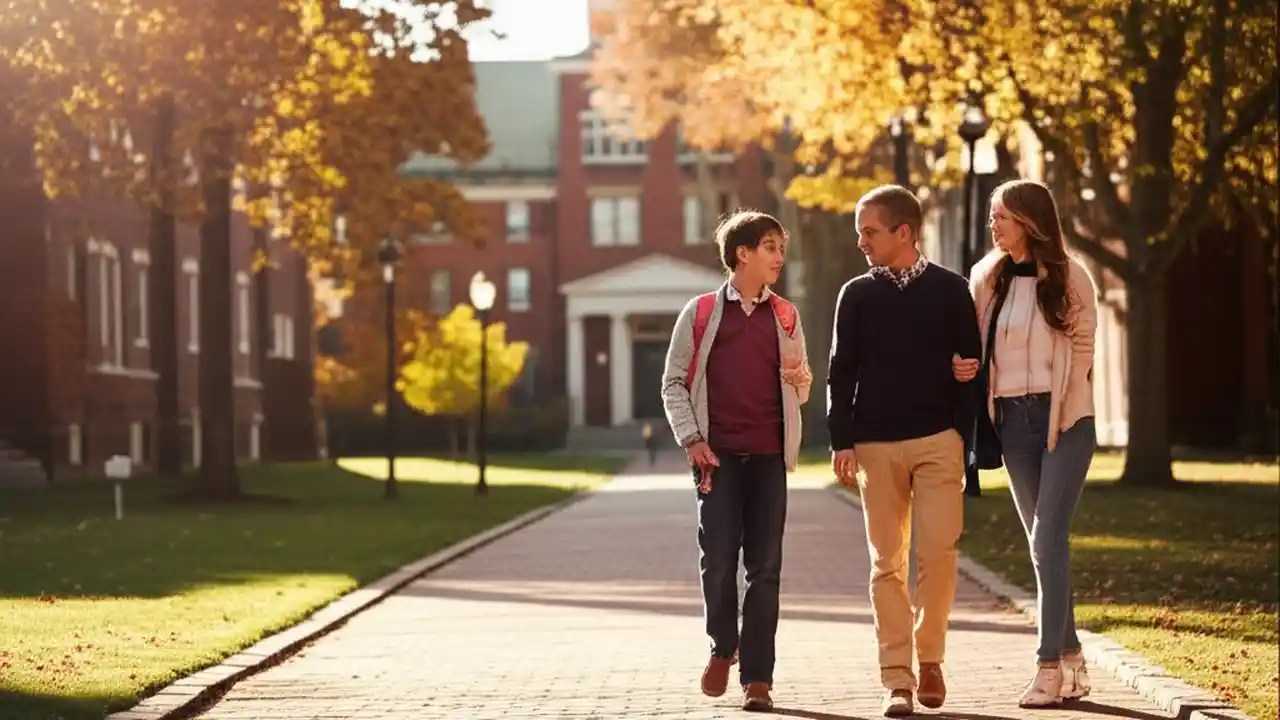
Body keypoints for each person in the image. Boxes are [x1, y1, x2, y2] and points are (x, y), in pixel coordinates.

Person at [827, 185, 981, 718]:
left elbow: (971, 362)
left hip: (939, 439)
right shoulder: (856, 295)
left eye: (869, 232)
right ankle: (898, 678)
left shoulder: (950, 290)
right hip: (874, 444)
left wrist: (963, 429)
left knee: (937, 552)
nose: (862, 243)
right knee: (886, 564)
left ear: (904, 232)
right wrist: (840, 439)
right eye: (859, 233)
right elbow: (840, 373)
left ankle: (931, 656)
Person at [952, 179, 1099, 707]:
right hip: (1011, 421)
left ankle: (1047, 668)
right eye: (993, 215)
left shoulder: (1070, 276)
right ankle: (1076, 658)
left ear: (1030, 222)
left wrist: (1065, 405)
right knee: (1046, 547)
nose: (994, 225)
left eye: (1002, 216)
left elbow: (1082, 347)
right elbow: (971, 343)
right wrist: (961, 365)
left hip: (1066, 420)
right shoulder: (986, 279)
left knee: (1047, 538)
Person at [660, 209, 812, 713]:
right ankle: (723, 647)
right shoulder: (701, 313)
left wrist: (798, 381)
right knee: (719, 561)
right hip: (717, 459)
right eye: (770, 247)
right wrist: (692, 440)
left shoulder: (786, 315)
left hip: (769, 456)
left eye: (781, 248)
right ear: (741, 253)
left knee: (765, 568)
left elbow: (803, 384)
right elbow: (673, 382)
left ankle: (759, 678)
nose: (778, 257)